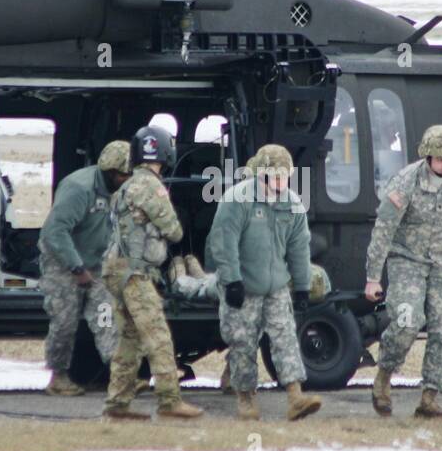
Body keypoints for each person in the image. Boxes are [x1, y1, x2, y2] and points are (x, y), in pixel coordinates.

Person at [364, 124, 442, 418]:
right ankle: (384, 376)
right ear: (428, 158)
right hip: (407, 259)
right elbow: (383, 230)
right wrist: (372, 277)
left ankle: (430, 396)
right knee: (408, 320)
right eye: (439, 160)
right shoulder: (406, 182)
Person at [207, 144, 321, 422]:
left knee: (285, 338)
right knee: (242, 342)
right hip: (242, 286)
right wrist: (232, 281)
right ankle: (246, 399)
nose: (282, 183)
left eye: (286, 177)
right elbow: (224, 243)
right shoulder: (237, 200)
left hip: (276, 287)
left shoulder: (292, 204)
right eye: (276, 177)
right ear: (262, 176)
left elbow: (299, 247)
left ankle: (295, 396)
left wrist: (303, 285)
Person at [100, 124, 203, 420]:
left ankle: (117, 403)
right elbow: (174, 231)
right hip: (135, 273)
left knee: (130, 338)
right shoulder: (152, 186)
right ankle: (169, 400)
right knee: (157, 335)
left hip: (116, 270)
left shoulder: (125, 186)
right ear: (165, 151)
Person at [39, 140, 131, 396]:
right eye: (124, 174)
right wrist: (76, 268)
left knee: (107, 316)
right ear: (110, 171)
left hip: (96, 261)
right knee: (65, 320)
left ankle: (120, 376)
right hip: (62, 260)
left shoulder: (121, 191)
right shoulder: (79, 188)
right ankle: (58, 376)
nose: (128, 179)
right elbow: (54, 231)